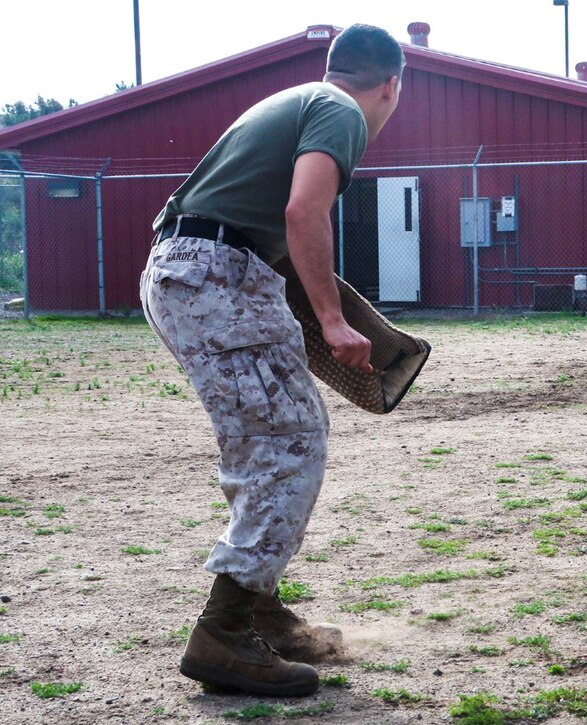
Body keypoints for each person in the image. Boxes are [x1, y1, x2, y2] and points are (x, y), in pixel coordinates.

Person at [139, 24, 404, 697]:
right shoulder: (343, 110)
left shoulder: (301, 98)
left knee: (266, 437)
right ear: (390, 86)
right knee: (289, 440)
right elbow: (303, 209)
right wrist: (334, 319)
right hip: (214, 272)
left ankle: (257, 609)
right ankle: (224, 632)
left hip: (197, 266)